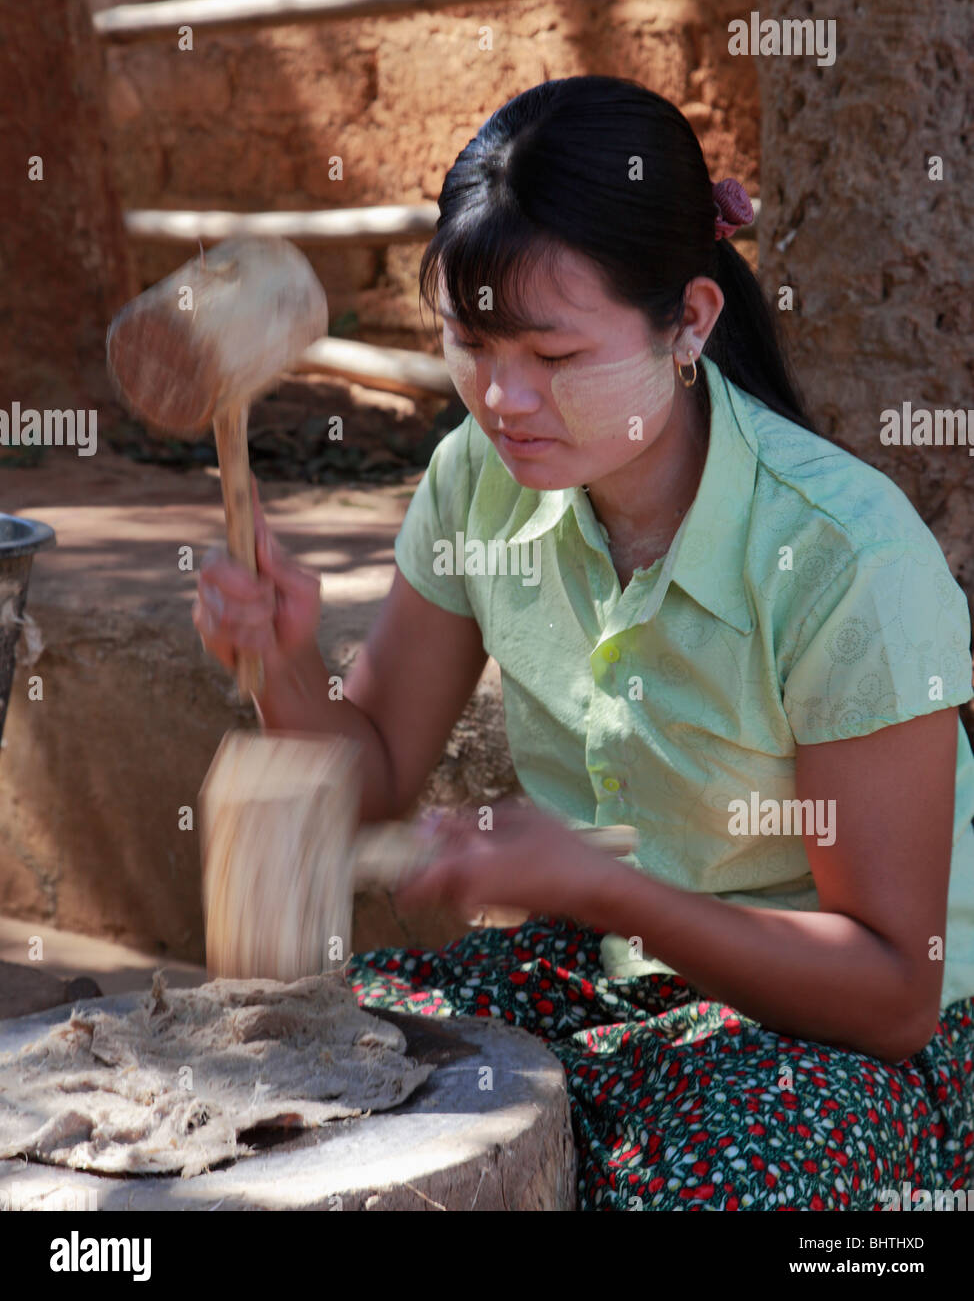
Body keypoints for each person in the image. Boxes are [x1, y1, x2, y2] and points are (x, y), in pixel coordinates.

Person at [194, 75, 974, 1211]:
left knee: (708, 1188)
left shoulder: (843, 560)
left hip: (852, 1032)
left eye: (553, 358)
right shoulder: (478, 480)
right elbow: (368, 778)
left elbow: (893, 991)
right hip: (602, 975)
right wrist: (278, 664)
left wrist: (605, 888)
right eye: (469, 343)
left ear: (689, 323)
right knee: (284, 1077)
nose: (503, 397)